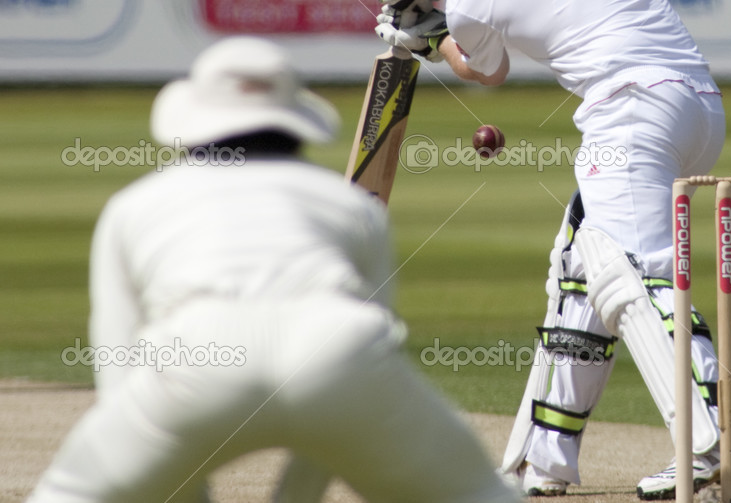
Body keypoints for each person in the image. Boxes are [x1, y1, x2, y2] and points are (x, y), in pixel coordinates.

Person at [374, 0, 731, 499]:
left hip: (630, 112)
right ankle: (542, 460)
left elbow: (486, 71)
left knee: (629, 270)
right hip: (696, 105)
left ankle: (713, 437)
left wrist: (429, 36)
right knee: (578, 271)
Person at [26, 36, 521, 503]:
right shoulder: (352, 207)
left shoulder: (134, 205)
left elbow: (119, 372)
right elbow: (363, 362)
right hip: (338, 347)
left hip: (195, 356)